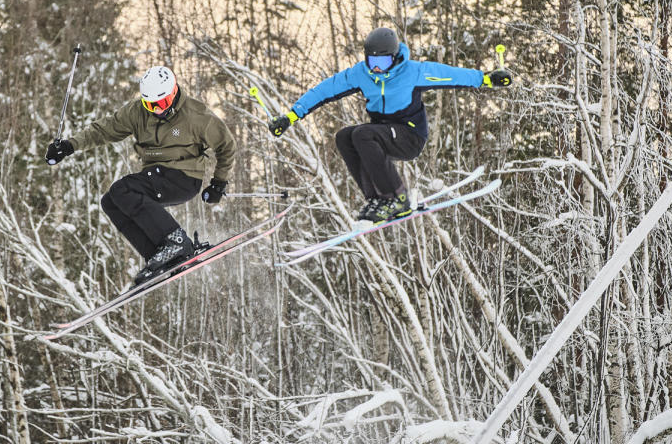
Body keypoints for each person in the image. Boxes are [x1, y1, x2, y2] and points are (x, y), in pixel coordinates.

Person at [268, 27, 511, 222]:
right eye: (372, 61)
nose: (376, 68)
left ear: (394, 58)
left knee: (363, 134)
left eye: (382, 63)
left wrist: (487, 80)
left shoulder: (413, 72)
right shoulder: (361, 74)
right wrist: (291, 117)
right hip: (382, 135)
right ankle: (377, 199)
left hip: (410, 136)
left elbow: (452, 75)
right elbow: (324, 90)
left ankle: (397, 199)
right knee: (344, 136)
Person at [45, 66, 236, 285]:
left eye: (162, 104)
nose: (156, 110)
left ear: (173, 93)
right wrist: (70, 145)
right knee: (111, 202)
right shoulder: (137, 112)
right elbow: (105, 129)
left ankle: (176, 242)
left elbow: (226, 144)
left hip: (184, 176)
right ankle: (160, 255)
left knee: (122, 189)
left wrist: (218, 183)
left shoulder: (195, 115)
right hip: (156, 175)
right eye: (150, 105)